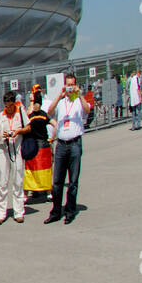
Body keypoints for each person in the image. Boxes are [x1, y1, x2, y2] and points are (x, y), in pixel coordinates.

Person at [44, 74, 89, 225]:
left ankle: (70, 211)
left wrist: (80, 94)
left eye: (72, 85)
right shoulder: (61, 103)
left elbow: (87, 110)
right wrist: (59, 95)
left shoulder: (78, 102)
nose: (70, 88)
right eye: (68, 85)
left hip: (75, 143)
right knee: (57, 181)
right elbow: (49, 112)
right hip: (61, 144)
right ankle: (56, 211)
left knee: (73, 181)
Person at [0, 90, 29, 224]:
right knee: (3, 181)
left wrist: (18, 131)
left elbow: (28, 127)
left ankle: (19, 211)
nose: (9, 109)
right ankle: (0, 213)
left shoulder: (20, 112)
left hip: (17, 149)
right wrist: (2, 135)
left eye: (11, 106)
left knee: (18, 180)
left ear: (14, 103)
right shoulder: (1, 116)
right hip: (4, 150)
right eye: (7, 106)